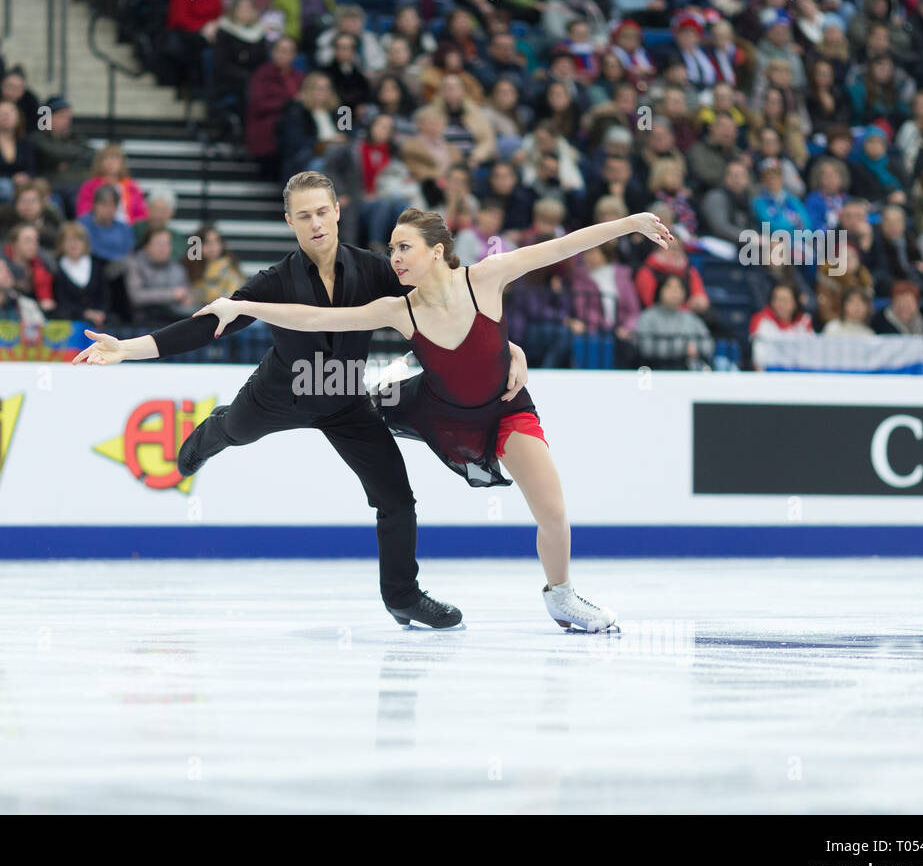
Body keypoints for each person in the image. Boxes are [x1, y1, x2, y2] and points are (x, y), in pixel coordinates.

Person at [73, 171, 532, 630]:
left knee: (396, 497)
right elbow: (209, 324)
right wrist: (128, 349)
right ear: (289, 221)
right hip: (279, 394)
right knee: (234, 429)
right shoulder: (274, 281)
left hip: (346, 401)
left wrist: (507, 348)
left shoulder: (376, 270)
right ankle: (213, 430)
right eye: (304, 216)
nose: (316, 224)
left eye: (322, 212)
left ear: (337, 212)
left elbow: (441, 305)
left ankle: (403, 597)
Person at [192, 201, 672, 631]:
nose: (394, 258)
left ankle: (561, 597)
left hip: (505, 409)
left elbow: (562, 246)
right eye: (391, 248)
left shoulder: (488, 276)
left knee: (552, 510)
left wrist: (631, 223)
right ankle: (403, 589)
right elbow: (315, 318)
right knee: (378, 399)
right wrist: (241, 307)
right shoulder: (398, 309)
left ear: (438, 251)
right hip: (445, 413)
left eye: (404, 248)